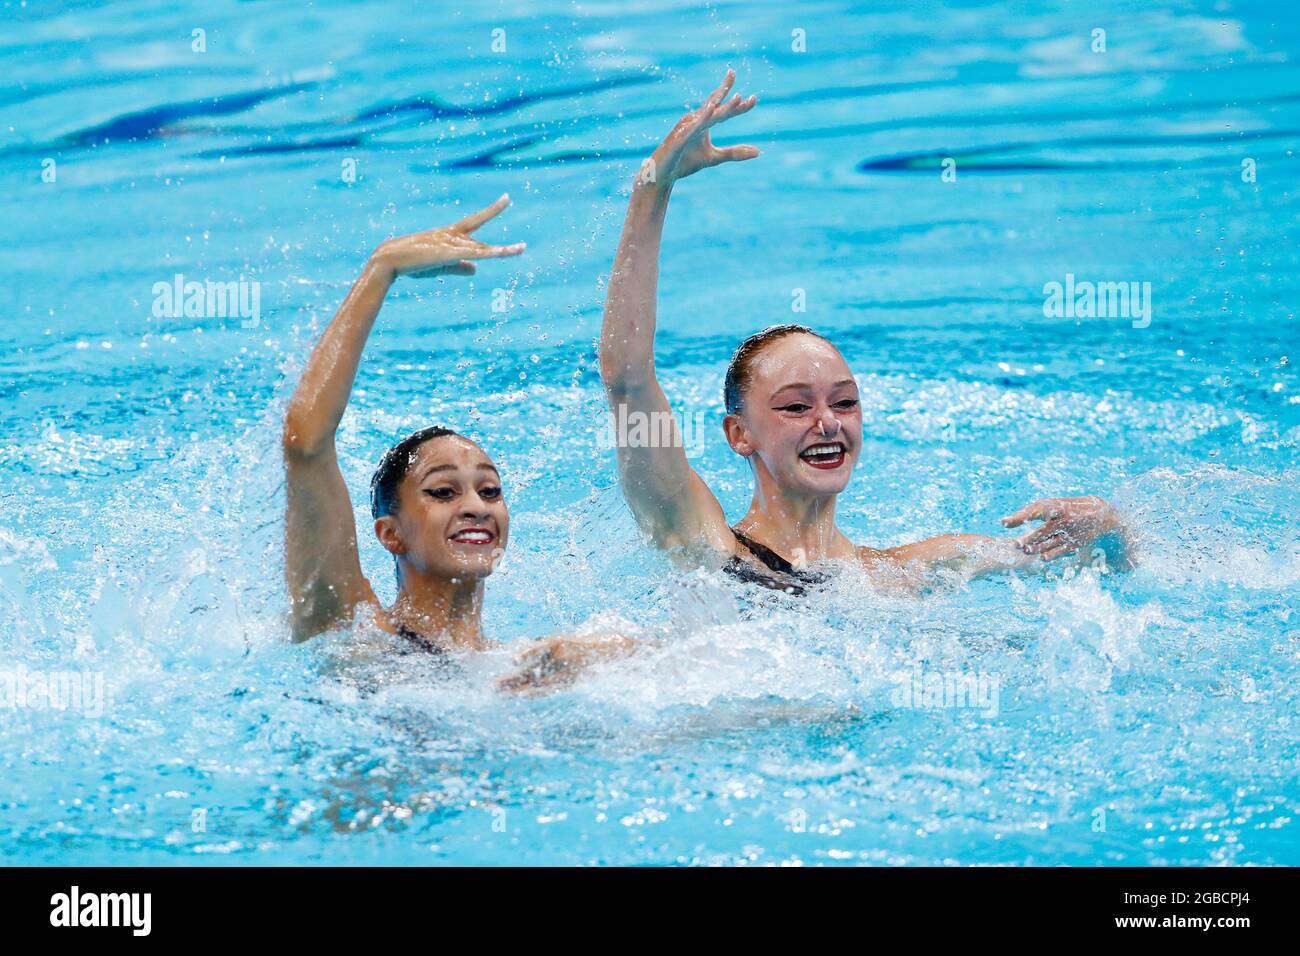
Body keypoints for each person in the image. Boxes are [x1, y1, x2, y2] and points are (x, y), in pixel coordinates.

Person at [599, 71, 1132, 593]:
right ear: (740, 434)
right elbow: (627, 379)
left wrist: (1106, 524)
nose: (828, 423)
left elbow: (1107, 569)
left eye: (845, 403)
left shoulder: (912, 572)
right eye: (795, 407)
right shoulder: (710, 549)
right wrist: (652, 187)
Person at [282, 194, 633, 689]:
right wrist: (381, 271)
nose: (476, 507)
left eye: (490, 491)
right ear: (389, 534)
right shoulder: (354, 633)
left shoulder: (530, 663)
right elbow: (305, 443)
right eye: (443, 492)